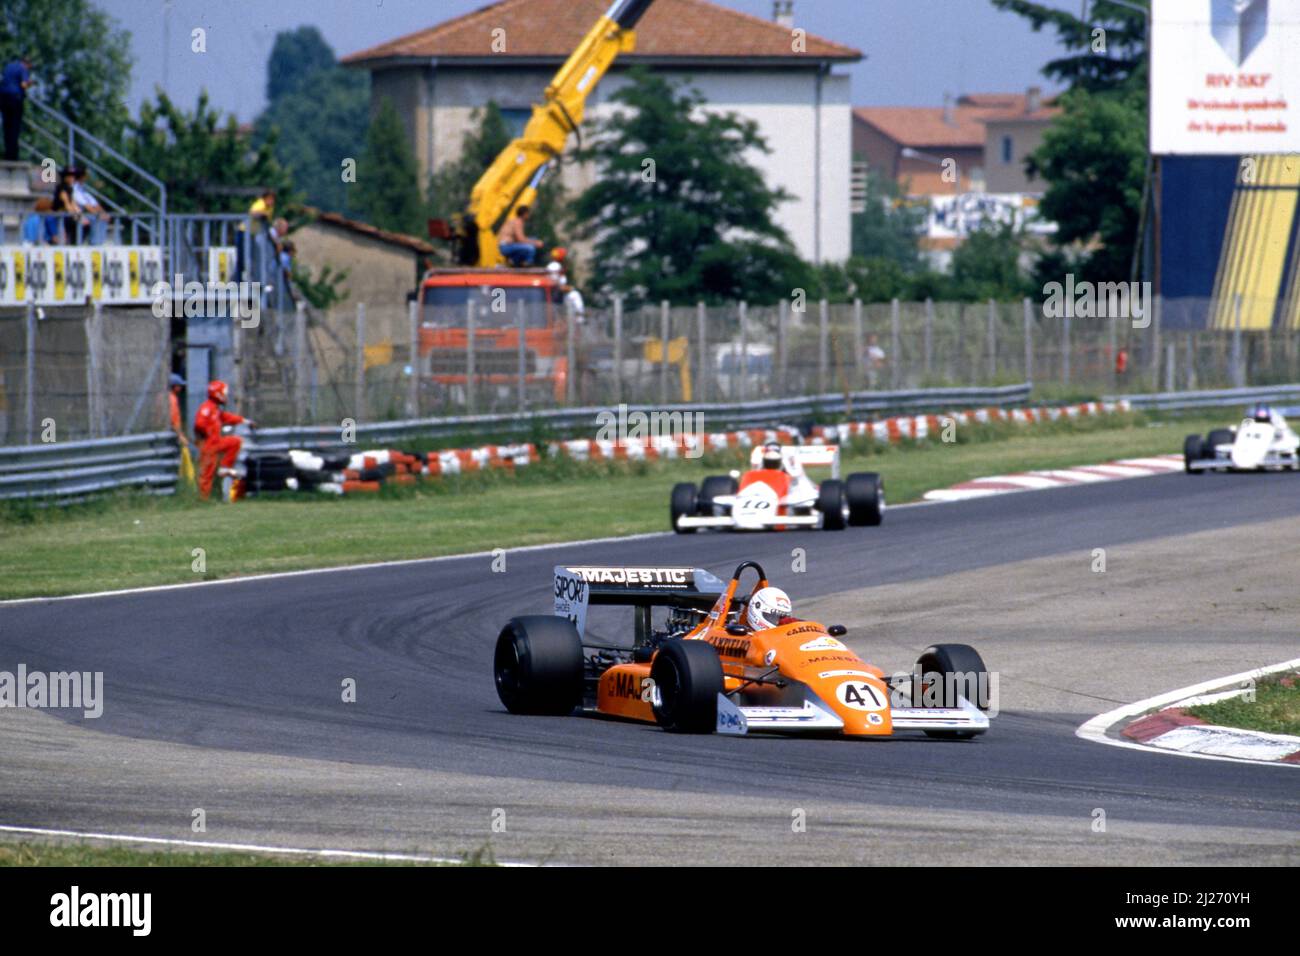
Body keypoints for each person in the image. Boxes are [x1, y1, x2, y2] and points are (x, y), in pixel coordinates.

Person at [193, 380, 251, 500]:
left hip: (216, 442)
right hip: (209, 445)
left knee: (235, 442)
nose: (225, 395)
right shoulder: (207, 407)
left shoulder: (215, 409)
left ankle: (225, 466)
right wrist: (207, 433)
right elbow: (199, 424)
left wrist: (244, 421)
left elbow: (227, 417)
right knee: (207, 474)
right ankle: (203, 499)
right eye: (223, 392)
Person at [236, 188, 275, 281]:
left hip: (252, 234)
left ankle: (249, 280)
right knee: (242, 258)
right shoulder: (260, 204)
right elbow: (253, 213)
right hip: (243, 232)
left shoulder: (270, 207)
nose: (272, 201)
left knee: (251, 258)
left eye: (273, 199)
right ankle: (237, 281)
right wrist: (262, 214)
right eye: (270, 199)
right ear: (265, 198)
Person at [0, 56, 33, 162]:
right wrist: (30, 83)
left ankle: (6, 153)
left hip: (3, 98)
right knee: (15, 127)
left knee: (7, 126)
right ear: (27, 64)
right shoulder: (22, 69)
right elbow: (23, 84)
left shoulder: (9, 66)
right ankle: (12, 156)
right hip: (15, 99)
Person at [71, 167, 110, 244]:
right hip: (75, 215)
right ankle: (95, 245)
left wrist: (104, 213)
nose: (87, 178)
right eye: (86, 176)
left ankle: (98, 244)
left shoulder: (82, 189)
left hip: (82, 215)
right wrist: (99, 215)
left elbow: (94, 203)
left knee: (103, 217)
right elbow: (87, 206)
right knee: (97, 218)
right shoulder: (74, 189)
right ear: (82, 177)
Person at [51, 168, 80, 245]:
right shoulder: (61, 188)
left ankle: (76, 243)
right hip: (59, 214)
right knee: (73, 222)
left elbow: (73, 203)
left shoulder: (70, 189)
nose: (72, 178)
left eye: (73, 177)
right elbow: (66, 204)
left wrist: (79, 214)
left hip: (67, 214)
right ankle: (72, 244)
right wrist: (74, 215)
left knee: (83, 222)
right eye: (70, 176)